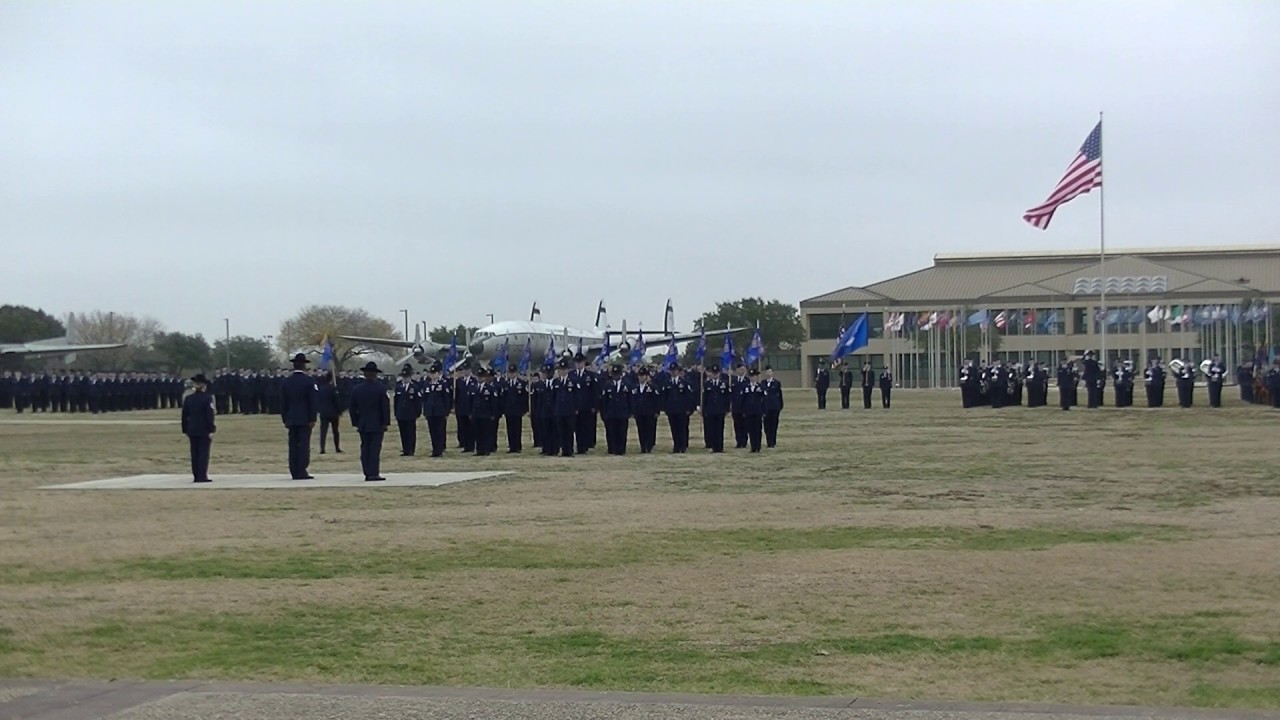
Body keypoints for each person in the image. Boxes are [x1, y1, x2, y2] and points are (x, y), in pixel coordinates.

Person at [348, 362, 390, 481]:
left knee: (365, 447)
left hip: (363, 423)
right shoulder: (381, 389)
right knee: (374, 449)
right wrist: (385, 422)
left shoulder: (357, 389)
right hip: (377, 423)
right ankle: (373, 472)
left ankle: (367, 471)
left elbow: (352, 408)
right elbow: (384, 408)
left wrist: (356, 422)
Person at [280, 353, 319, 480]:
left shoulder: (287, 381)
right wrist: (313, 418)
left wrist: (285, 418)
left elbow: (283, 402)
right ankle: (302, 470)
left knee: (292, 445)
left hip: (291, 417)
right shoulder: (309, 381)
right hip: (305, 418)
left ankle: (294, 470)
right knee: (303, 445)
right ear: (304, 365)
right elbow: (312, 402)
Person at [180, 373, 216, 483]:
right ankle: (202, 476)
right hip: (204, 429)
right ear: (204, 386)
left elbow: (184, 415)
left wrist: (185, 429)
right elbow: (209, 415)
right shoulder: (207, 398)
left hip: (192, 429)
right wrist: (211, 429)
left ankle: (196, 475)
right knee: (203, 453)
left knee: (194, 453)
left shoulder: (188, 398)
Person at [421, 362, 452, 457]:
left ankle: (440, 449)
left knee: (439, 431)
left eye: (435, 373)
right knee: (432, 431)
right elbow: (425, 399)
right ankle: (435, 449)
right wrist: (425, 411)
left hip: (440, 412)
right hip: (430, 412)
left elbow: (446, 398)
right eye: (432, 373)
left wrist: (447, 411)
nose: (433, 375)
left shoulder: (442, 384)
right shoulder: (427, 385)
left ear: (438, 374)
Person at [600, 364, 631, 455]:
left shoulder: (626, 385)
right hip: (611, 413)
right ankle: (612, 449)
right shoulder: (607, 385)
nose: (615, 376)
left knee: (622, 432)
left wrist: (630, 411)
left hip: (622, 413)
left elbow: (630, 399)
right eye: (614, 374)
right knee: (611, 432)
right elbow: (603, 401)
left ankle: (621, 449)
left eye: (617, 374)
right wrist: (604, 413)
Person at [664, 364, 696, 453]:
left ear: (678, 371)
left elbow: (689, 397)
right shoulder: (667, 383)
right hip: (671, 410)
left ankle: (683, 446)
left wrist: (689, 409)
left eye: (675, 370)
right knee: (674, 429)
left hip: (682, 410)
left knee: (682, 429)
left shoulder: (684, 383)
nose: (673, 372)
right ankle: (676, 446)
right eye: (671, 370)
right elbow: (664, 397)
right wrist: (665, 408)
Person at [630, 367, 660, 453]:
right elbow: (633, 400)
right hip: (639, 412)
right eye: (639, 376)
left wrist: (657, 411)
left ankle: (649, 446)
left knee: (650, 429)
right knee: (641, 430)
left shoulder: (652, 387)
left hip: (649, 413)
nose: (641, 377)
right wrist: (633, 411)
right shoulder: (635, 388)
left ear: (646, 376)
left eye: (643, 376)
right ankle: (643, 446)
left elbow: (656, 400)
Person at [393, 365, 421, 456]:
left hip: (411, 414)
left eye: (407, 377)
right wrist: (396, 413)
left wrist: (417, 413)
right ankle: (405, 449)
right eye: (404, 377)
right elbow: (396, 401)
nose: (405, 379)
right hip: (401, 413)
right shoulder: (399, 387)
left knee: (411, 432)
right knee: (403, 432)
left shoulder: (415, 387)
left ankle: (411, 449)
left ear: (410, 377)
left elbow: (418, 401)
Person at [701, 365, 729, 452]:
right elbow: (705, 398)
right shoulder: (707, 384)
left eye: (716, 373)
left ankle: (720, 447)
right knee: (712, 429)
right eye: (714, 373)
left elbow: (727, 397)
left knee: (720, 429)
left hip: (720, 410)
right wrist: (703, 409)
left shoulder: (724, 384)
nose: (715, 375)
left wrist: (727, 409)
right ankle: (714, 447)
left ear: (719, 374)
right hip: (710, 410)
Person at [501, 365, 529, 453]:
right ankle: (512, 446)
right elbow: (503, 398)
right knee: (509, 429)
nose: (511, 374)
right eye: (510, 373)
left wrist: (525, 409)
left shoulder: (522, 384)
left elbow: (525, 398)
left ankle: (517, 446)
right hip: (508, 410)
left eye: (513, 373)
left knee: (517, 428)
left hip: (518, 410)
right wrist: (503, 409)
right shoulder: (505, 384)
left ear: (516, 373)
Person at [317, 371, 344, 454]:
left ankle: (322, 448)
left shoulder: (321, 389)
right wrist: (340, 411)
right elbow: (336, 401)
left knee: (323, 431)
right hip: (333, 413)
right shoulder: (333, 389)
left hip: (324, 412)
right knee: (335, 431)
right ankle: (337, 447)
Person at [741, 368, 765, 452]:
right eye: (751, 376)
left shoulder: (760, 387)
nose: (752, 378)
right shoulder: (745, 387)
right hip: (749, 412)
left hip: (758, 411)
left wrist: (764, 411)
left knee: (757, 429)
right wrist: (743, 411)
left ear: (756, 377)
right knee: (750, 429)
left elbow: (764, 400)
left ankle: (758, 446)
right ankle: (753, 446)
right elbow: (743, 400)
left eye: (754, 376)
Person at [761, 366, 783, 448]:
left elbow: (779, 395)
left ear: (772, 373)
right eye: (767, 372)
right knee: (767, 425)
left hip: (774, 407)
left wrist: (780, 405)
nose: (768, 374)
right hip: (766, 407)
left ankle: (773, 442)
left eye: (770, 372)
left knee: (774, 425)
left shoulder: (776, 383)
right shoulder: (763, 383)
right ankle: (768, 441)